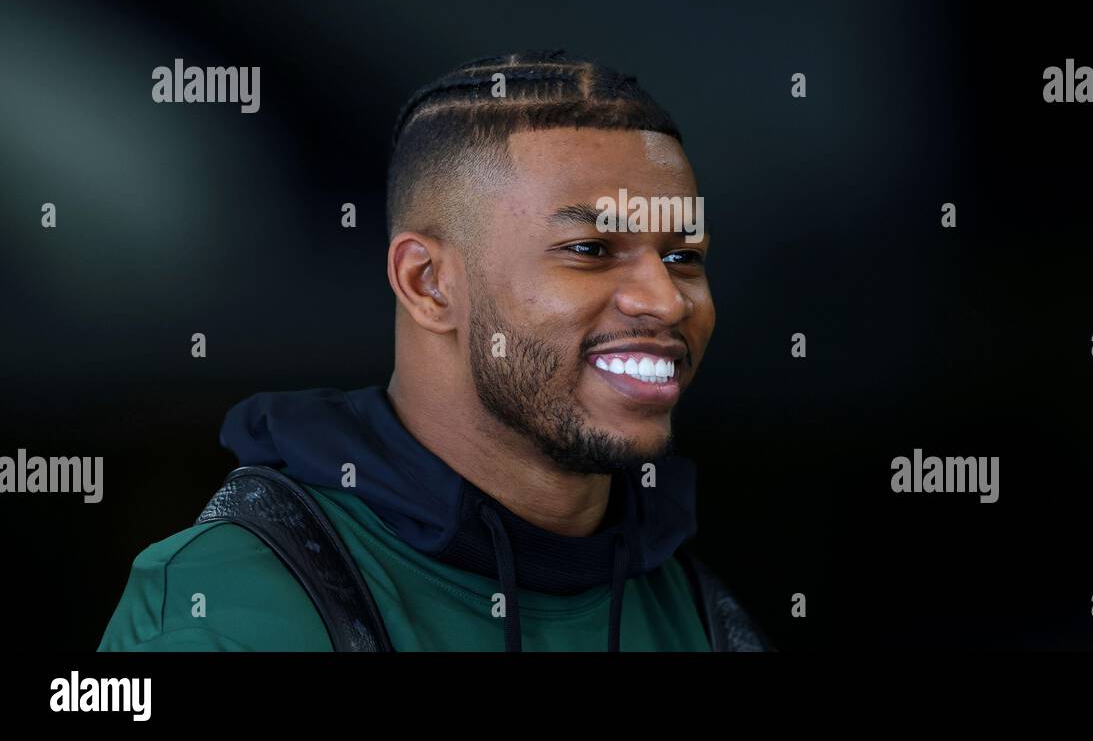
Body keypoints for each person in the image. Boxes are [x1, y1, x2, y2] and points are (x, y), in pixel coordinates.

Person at [98, 49, 770, 651]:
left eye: (683, 256)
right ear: (428, 283)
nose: (667, 301)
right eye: (591, 250)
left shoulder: (700, 611)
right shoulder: (232, 605)